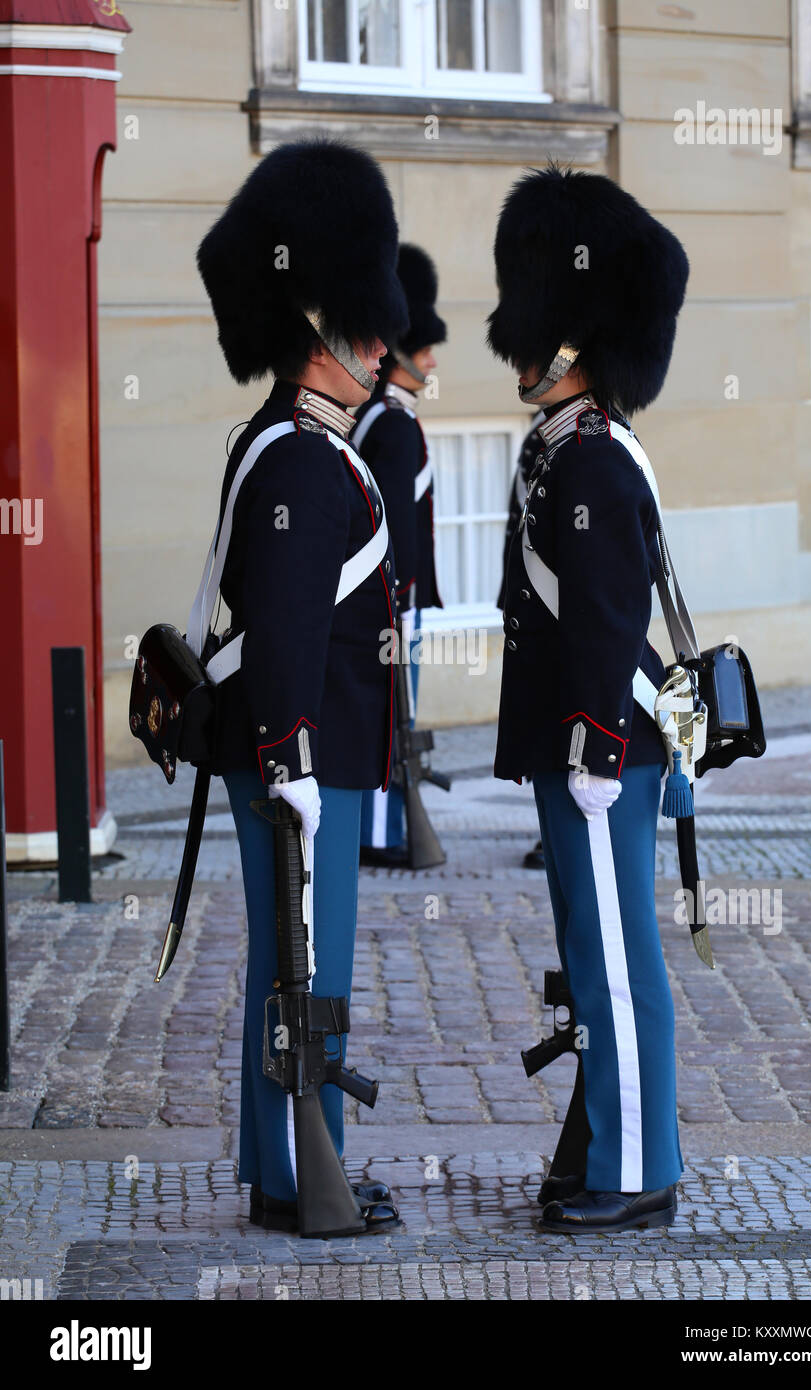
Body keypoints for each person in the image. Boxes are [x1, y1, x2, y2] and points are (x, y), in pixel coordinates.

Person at [195, 137, 408, 1232]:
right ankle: (291, 1175)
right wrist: (291, 766)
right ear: (315, 331)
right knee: (299, 966)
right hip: (296, 761)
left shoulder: (302, 446)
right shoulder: (292, 458)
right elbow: (281, 633)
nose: (381, 346)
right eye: (362, 325)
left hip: (305, 756)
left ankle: (293, 1150)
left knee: (305, 962)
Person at [489, 164, 690, 1234]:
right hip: (576, 741)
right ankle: (602, 1145)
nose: (519, 347)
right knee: (591, 953)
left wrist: (595, 753)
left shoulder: (594, 462)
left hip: (599, 746)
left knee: (613, 962)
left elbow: (606, 622)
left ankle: (636, 1171)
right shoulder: (562, 448)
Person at [350, 244, 446, 867]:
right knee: (392, 720)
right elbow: (393, 527)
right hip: (393, 599)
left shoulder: (382, 416)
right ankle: (381, 834)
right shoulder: (393, 425)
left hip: (391, 597)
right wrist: (402, 598)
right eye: (424, 347)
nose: (432, 358)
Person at [496, 412, 546, 869]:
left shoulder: (559, 430)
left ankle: (548, 830)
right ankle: (546, 827)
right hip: (530, 598)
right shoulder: (544, 429)